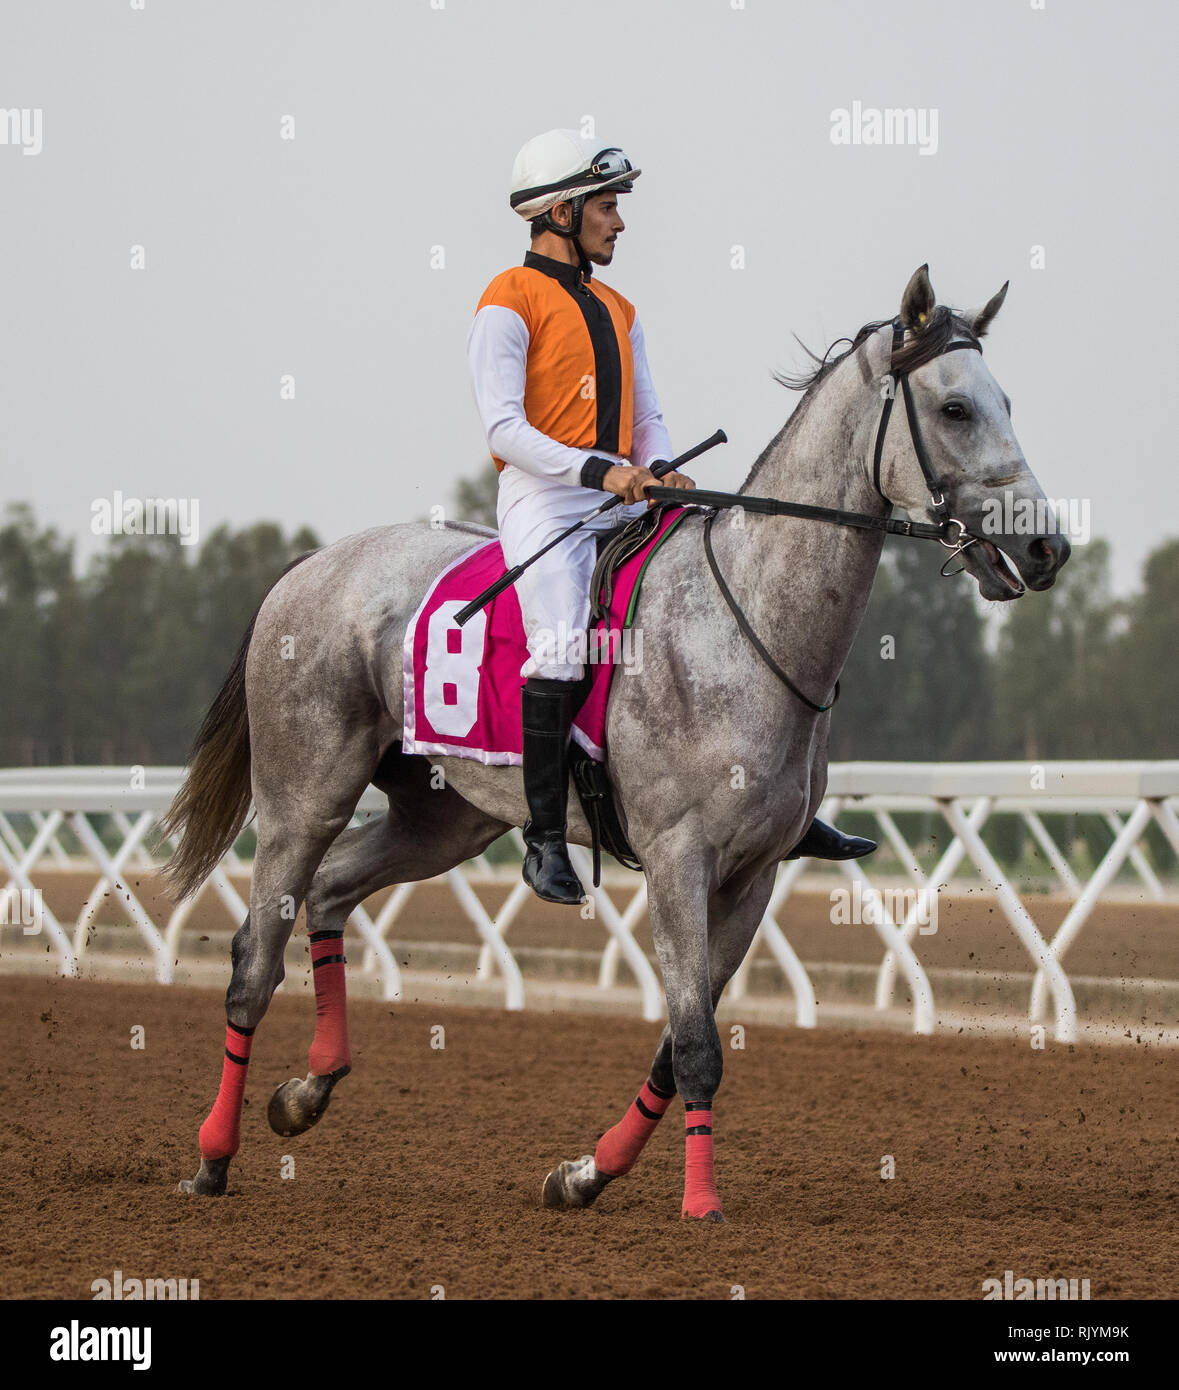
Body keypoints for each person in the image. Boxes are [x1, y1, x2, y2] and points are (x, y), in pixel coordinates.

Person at [467, 129, 873, 907]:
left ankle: (781, 807)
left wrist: (655, 466)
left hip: (622, 492)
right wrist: (598, 469)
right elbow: (502, 430)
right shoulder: (504, 301)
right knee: (557, 642)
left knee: (724, 603)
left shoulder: (618, 306)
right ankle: (545, 837)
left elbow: (646, 413)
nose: (619, 223)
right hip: (545, 500)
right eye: (607, 207)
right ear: (559, 211)